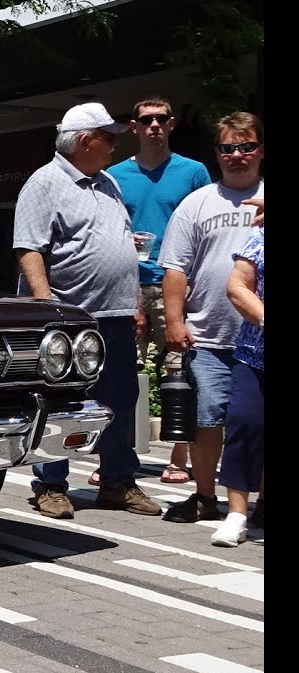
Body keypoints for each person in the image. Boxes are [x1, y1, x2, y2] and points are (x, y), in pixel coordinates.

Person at [12, 102, 160, 519]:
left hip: (113, 313)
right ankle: (50, 484)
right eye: (107, 137)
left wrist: (132, 302)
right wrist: (46, 306)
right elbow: (29, 247)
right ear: (83, 141)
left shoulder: (108, 182)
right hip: (69, 318)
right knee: (60, 399)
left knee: (120, 398)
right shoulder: (44, 183)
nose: (113, 145)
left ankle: (117, 483)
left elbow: (114, 243)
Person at [158, 111, 264, 524]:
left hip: (258, 337)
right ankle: (205, 496)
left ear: (260, 150)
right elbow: (175, 268)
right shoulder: (197, 203)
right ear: (217, 154)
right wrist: (174, 321)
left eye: (246, 146)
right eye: (227, 148)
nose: (237, 155)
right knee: (208, 419)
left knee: (257, 422)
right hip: (210, 333)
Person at [100, 97, 212, 486]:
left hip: (176, 284)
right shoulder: (115, 175)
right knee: (117, 374)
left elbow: (206, 224)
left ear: (171, 124)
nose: (153, 127)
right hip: (125, 284)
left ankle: (178, 459)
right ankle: (113, 457)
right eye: (146, 120)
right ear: (133, 127)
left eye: (160, 120)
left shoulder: (193, 172)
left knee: (180, 371)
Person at [211, 225, 264, 546]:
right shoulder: (261, 237)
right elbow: (237, 287)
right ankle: (237, 515)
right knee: (244, 424)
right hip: (254, 356)